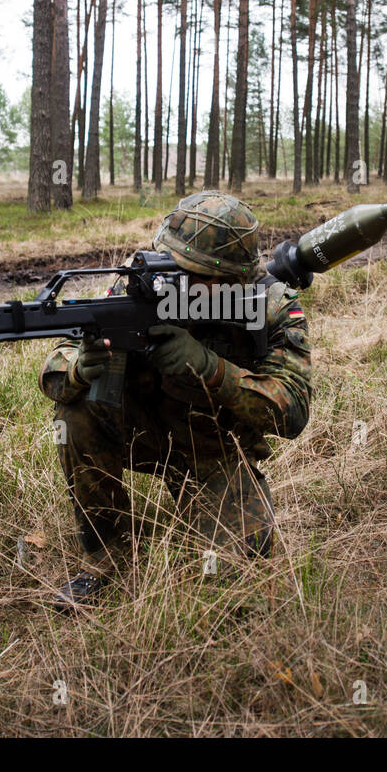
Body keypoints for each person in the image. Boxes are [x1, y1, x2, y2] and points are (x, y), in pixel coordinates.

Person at [37, 192, 313, 610]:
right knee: (75, 413)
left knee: (237, 585)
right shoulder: (139, 284)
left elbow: (291, 411)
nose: (174, 278)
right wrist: (79, 367)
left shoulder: (271, 303)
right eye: (170, 263)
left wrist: (210, 367)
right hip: (142, 434)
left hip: (214, 449)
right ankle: (106, 561)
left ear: (233, 279)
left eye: (192, 273)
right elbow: (55, 365)